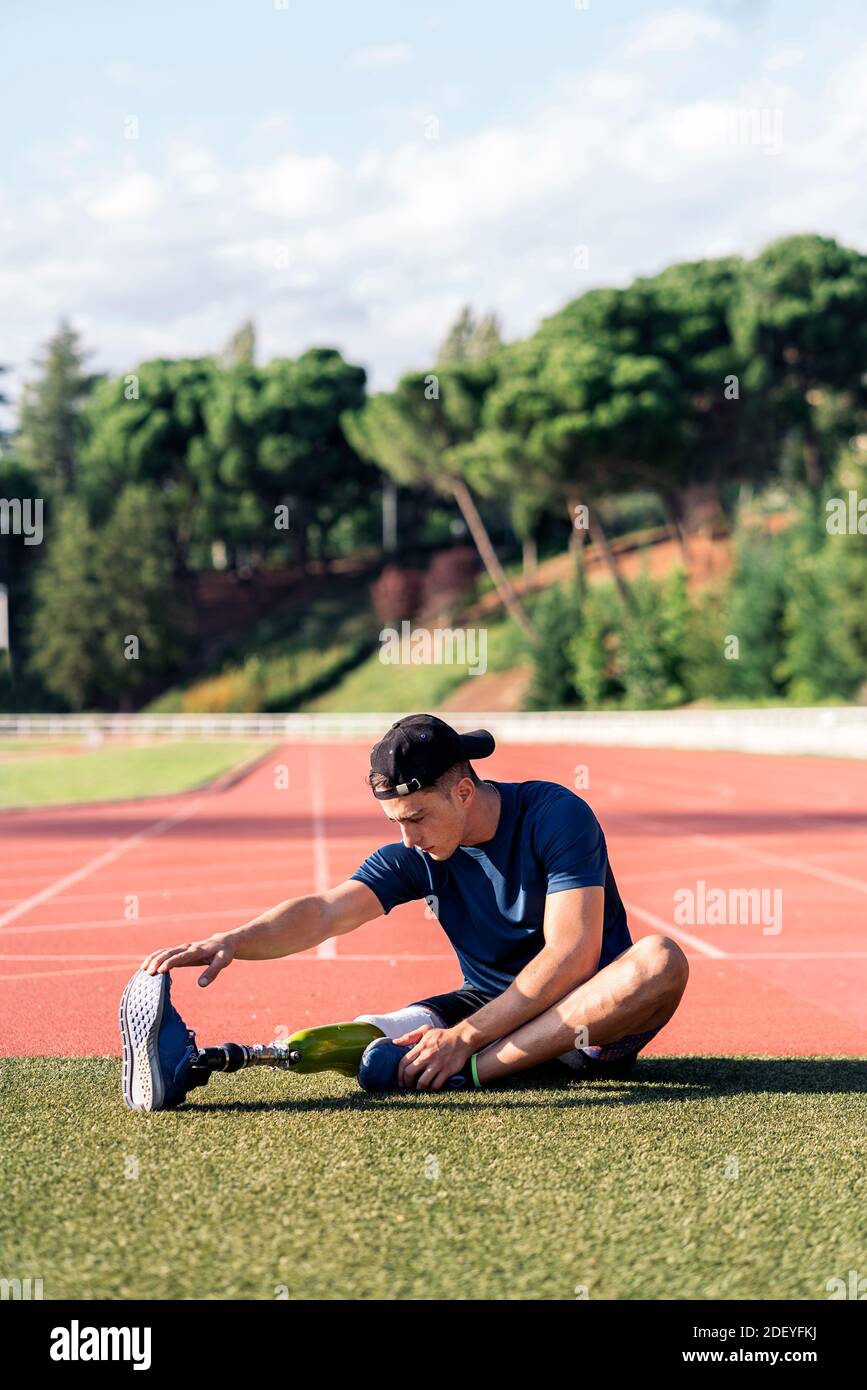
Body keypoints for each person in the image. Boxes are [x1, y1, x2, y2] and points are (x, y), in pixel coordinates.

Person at [120, 714, 688, 1110]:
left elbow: (573, 954)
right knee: (375, 1049)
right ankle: (198, 1063)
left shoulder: (556, 816)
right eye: (396, 823)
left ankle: (469, 1073)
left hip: (585, 1018)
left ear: (463, 792)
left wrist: (464, 1040)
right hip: (487, 1007)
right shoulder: (421, 851)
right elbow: (324, 912)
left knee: (660, 960)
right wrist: (235, 939)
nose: (408, 839)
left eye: (416, 818)